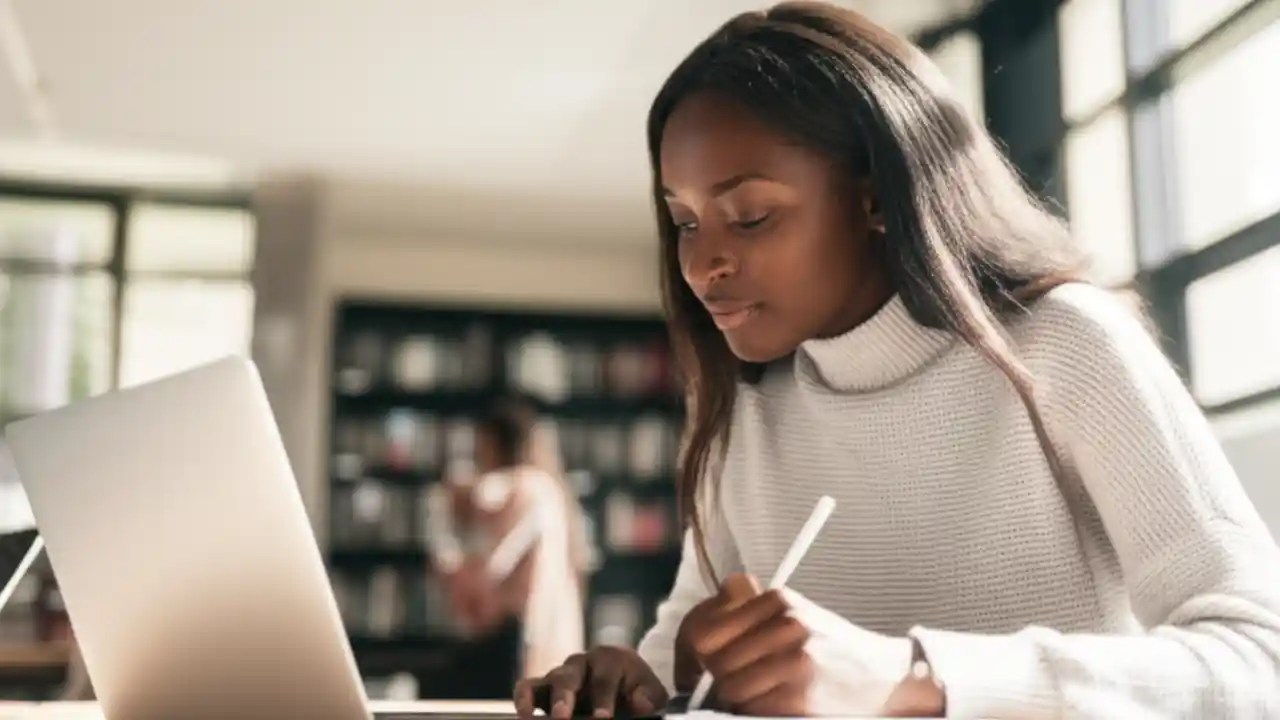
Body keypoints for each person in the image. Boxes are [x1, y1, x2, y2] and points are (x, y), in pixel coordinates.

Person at [514, 3, 1280, 718]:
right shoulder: (745, 405)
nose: (701, 263)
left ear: (876, 198)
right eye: (683, 221)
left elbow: (1260, 661)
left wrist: (913, 677)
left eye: (750, 215)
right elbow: (691, 662)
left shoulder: (1063, 344)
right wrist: (634, 686)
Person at [429, 398, 589, 682]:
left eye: (483, 446)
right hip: (537, 644)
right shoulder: (549, 492)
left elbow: (490, 565)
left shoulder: (526, 488)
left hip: (520, 645)